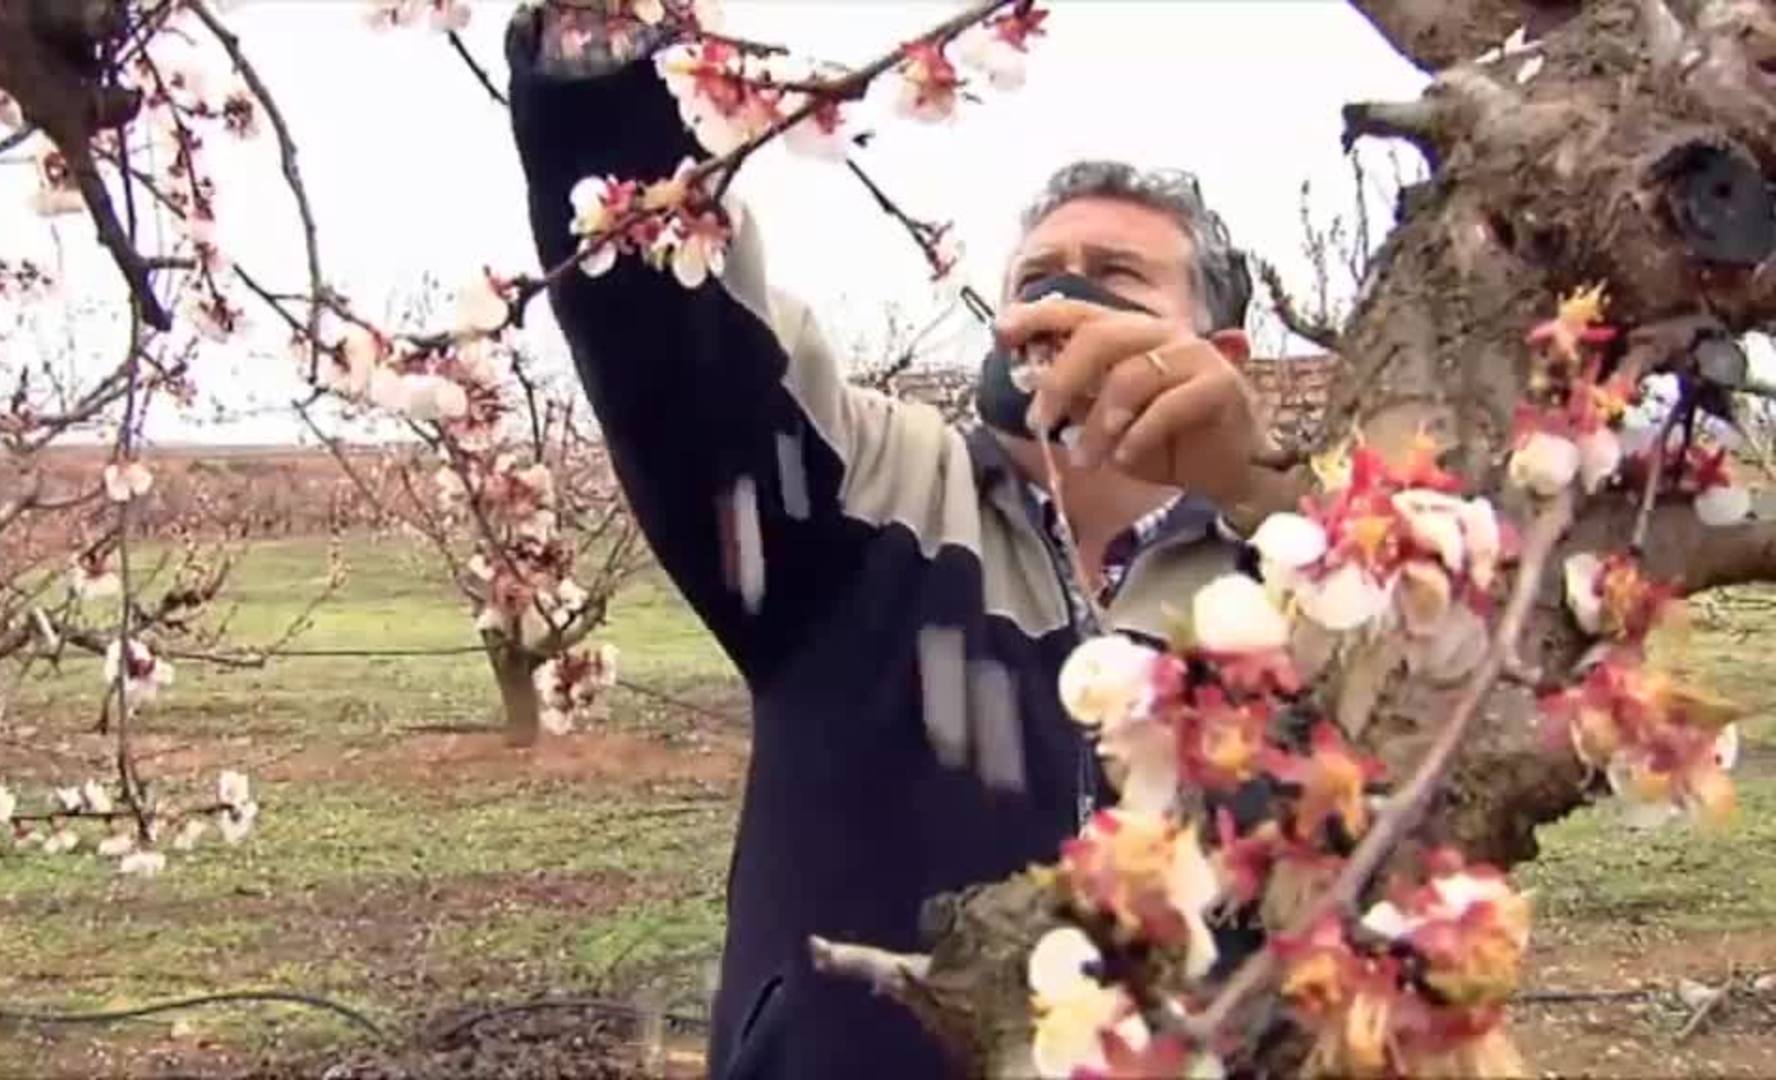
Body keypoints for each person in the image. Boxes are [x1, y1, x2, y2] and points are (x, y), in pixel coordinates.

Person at [505, 5, 1299, 1076]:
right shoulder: (874, 494)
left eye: (1113, 276)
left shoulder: (1300, 578)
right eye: (1034, 278)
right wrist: (604, 63)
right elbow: (679, 332)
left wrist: (1258, 487)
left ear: (1225, 354)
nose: (1062, 302)